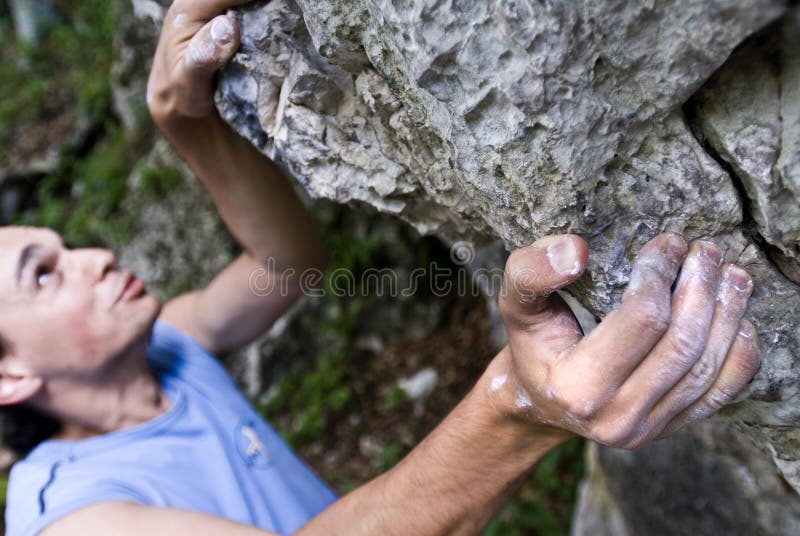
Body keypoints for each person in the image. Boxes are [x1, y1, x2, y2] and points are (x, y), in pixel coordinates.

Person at [1, 1, 761, 534]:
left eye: (64, 248)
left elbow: (285, 265)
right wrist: (516, 404)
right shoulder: (75, 515)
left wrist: (185, 120)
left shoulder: (166, 354)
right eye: (43, 274)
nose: (95, 258)